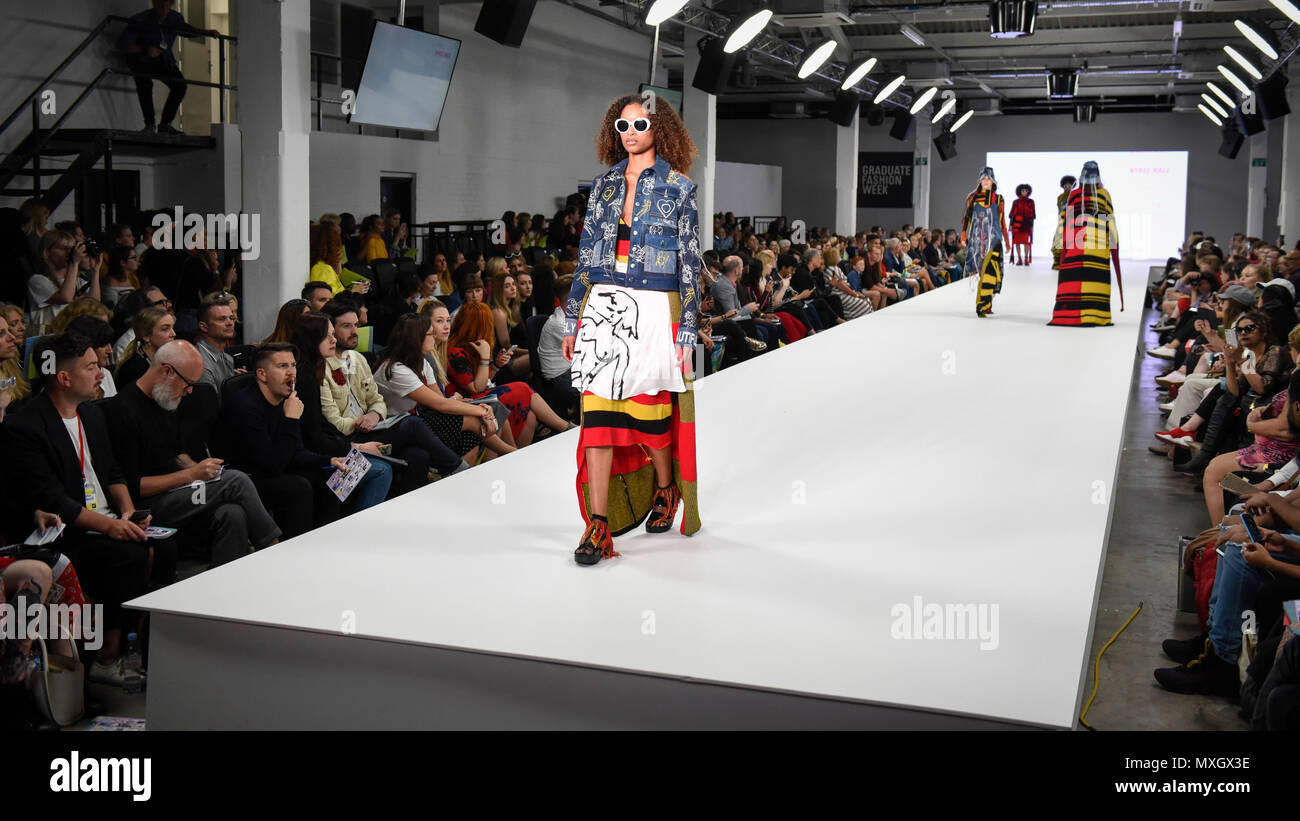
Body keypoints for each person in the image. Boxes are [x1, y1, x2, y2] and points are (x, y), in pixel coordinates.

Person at [562, 93, 703, 565]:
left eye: (639, 124)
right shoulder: (602, 187)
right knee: (598, 419)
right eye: (622, 127)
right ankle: (597, 527)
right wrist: (571, 317)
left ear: (658, 129)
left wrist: (687, 332)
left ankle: (666, 487)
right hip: (603, 303)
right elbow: (586, 258)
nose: (631, 134)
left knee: (650, 415)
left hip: (654, 308)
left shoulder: (679, 188)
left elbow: (690, 265)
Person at [0, 333, 168, 685]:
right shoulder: (26, 426)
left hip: (102, 516)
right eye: (91, 367)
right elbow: (53, 499)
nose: (100, 372)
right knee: (125, 555)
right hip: (63, 528)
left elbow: (113, 471)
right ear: (64, 378)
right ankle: (105, 654)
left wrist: (127, 512)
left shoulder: (91, 415)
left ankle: (141, 652)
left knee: (164, 547)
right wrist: (111, 527)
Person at [106, 340, 281, 567]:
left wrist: (203, 470)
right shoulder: (123, 410)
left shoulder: (165, 399)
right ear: (168, 371)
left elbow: (177, 453)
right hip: (147, 504)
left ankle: (226, 584)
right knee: (235, 480)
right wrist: (192, 475)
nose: (189, 392)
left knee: (232, 513)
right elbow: (132, 485)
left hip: (178, 491)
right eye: (188, 384)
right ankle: (274, 550)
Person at [373, 313, 508, 466]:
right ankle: (511, 454)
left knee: (476, 423)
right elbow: (441, 405)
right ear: (416, 339)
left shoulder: (421, 361)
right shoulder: (395, 369)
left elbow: (440, 401)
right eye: (430, 334)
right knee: (472, 419)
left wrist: (477, 408)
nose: (435, 337)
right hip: (396, 426)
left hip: (418, 417)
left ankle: (494, 461)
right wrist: (482, 412)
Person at [115, 0, 220, 133]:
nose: (164, 9)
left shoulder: (174, 19)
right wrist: (145, 49)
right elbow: (122, 44)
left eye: (167, 6)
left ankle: (165, 124)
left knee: (179, 85)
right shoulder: (141, 19)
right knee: (144, 84)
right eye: (161, 5)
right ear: (154, 4)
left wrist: (208, 32)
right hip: (141, 59)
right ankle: (149, 124)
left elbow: (186, 30)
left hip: (162, 59)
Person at [1048, 161, 1123, 327]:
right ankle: (1094, 315)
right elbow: (1110, 220)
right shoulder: (1101, 194)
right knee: (1093, 278)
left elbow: (1066, 220)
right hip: (1095, 244)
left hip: (1080, 243)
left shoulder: (1079, 194)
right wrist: (1113, 244)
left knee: (1076, 277)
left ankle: (1073, 314)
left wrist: (1061, 245)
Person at [961, 167, 1010, 318]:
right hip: (977, 241)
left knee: (992, 273)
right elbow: (967, 218)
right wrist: (963, 236)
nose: (986, 181)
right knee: (984, 272)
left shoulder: (999, 198)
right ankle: (984, 305)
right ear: (980, 180)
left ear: (993, 181)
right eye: (983, 178)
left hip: (994, 240)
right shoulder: (972, 198)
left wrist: (1007, 241)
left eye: (988, 179)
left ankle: (983, 305)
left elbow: (1002, 221)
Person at [115, 306, 176, 386]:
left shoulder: (167, 361)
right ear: (146, 336)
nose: (173, 334)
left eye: (172, 328)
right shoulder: (133, 370)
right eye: (165, 329)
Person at [1050, 174, 1076, 271]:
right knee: (1058, 242)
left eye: (1069, 186)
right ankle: (1057, 262)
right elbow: (1059, 209)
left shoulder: (1075, 196)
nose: (1067, 188)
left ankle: (1069, 263)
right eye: (1065, 186)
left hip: (1072, 222)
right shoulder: (1060, 197)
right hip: (1061, 222)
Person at [1008, 184, 1035, 266]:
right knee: (1017, 242)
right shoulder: (1015, 202)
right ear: (1019, 192)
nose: (1024, 192)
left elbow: (1032, 215)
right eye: (1022, 191)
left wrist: (1031, 226)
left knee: (1026, 242)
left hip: (1026, 224)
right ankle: (1019, 259)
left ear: (1028, 192)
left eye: (1026, 191)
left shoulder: (1031, 202)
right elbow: (1012, 214)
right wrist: (1011, 225)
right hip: (1017, 224)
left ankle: (1026, 259)